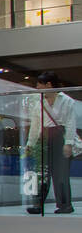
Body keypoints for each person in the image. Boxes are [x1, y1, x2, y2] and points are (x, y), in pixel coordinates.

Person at [25, 73, 78, 214]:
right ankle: (38, 204)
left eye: (39, 84)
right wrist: (30, 143)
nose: (37, 88)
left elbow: (71, 123)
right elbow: (35, 125)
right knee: (41, 172)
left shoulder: (67, 101)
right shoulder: (39, 103)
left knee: (60, 175)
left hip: (61, 137)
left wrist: (68, 143)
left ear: (48, 85)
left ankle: (65, 205)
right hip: (45, 137)